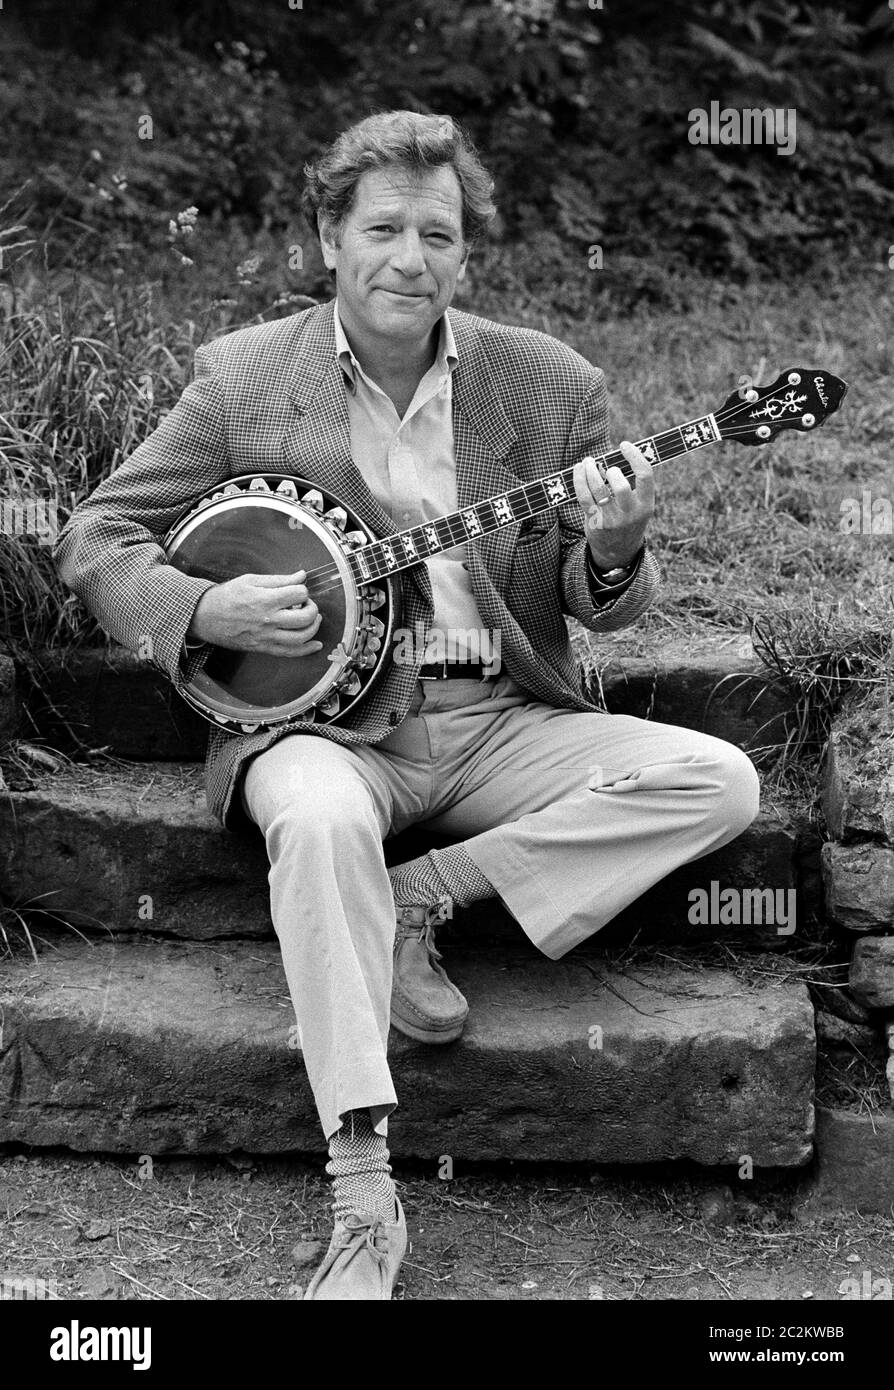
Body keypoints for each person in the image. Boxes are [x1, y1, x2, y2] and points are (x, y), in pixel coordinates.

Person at [54, 110, 760, 1301]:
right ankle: (363, 1180)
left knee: (720, 778)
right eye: (381, 228)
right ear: (329, 238)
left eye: (438, 234)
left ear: (466, 256)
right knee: (322, 821)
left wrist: (617, 545)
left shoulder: (551, 384)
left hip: (502, 720)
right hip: (319, 726)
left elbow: (606, 608)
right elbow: (93, 537)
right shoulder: (243, 380)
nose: (408, 257)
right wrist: (199, 612)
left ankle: (420, 899)